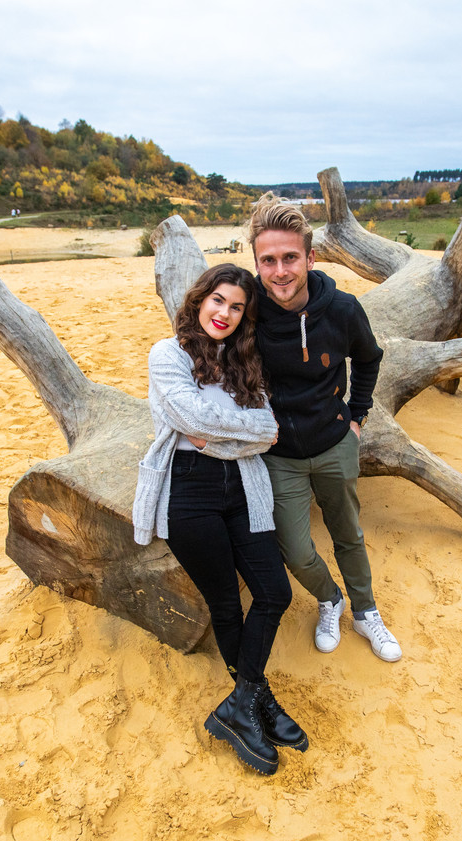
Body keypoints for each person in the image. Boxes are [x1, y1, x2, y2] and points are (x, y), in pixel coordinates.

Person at [133, 263, 307, 775]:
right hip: (189, 489)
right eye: (218, 301)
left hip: (245, 487)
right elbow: (190, 418)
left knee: (274, 592)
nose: (225, 314)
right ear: (199, 300)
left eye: (236, 308)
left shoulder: (244, 362)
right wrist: (238, 432)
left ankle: (243, 702)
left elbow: (268, 429)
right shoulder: (168, 354)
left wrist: (220, 437)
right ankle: (257, 701)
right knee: (226, 605)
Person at [248, 198, 402, 662]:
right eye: (268, 260)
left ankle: (366, 612)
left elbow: (369, 359)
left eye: (290, 257)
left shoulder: (342, 309)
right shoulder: (248, 314)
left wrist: (357, 417)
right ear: (256, 263)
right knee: (295, 551)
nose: (280, 271)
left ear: (310, 258)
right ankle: (330, 599)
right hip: (279, 456)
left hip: (336, 443)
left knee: (348, 534)